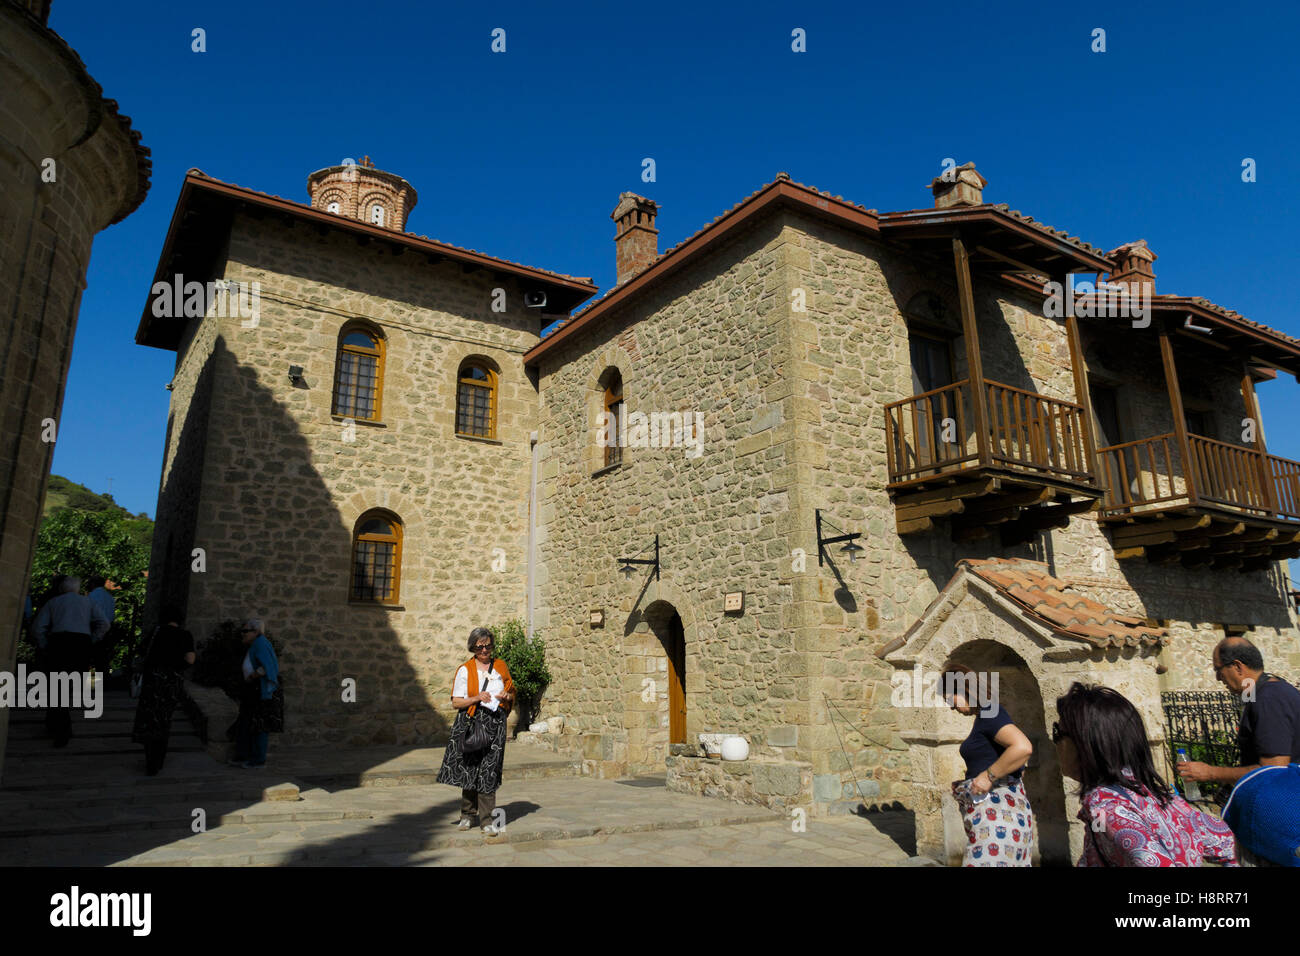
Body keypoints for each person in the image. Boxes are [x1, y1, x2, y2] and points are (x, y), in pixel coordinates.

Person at [1055, 682, 1237, 867]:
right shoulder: (1159, 797)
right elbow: (1231, 845)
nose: (1055, 743)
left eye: (1058, 733)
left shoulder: (1107, 809)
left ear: (1085, 743)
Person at [1177, 637, 1300, 866]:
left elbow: (1273, 770)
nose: (1217, 678)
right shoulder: (1263, 692)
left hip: (1282, 825)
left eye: (1218, 670)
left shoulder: (1269, 699)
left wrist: (1210, 773)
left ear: (1238, 666)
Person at [941, 661, 1035, 866]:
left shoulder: (990, 712)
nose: (950, 706)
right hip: (1000, 813)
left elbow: (1022, 747)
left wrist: (987, 776)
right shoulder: (988, 714)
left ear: (964, 689)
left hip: (997, 816)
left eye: (950, 698)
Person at [436, 627, 515, 834]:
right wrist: (477, 697)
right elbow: (456, 702)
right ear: (473, 647)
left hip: (495, 723)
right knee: (470, 768)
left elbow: (510, 691)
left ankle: (487, 820)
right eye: (480, 646)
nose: (484, 650)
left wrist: (506, 697)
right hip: (472, 722)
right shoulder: (465, 670)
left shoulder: (500, 667)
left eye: (488, 645)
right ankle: (467, 814)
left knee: (489, 770)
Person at [30, 575, 110, 746]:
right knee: (69, 686)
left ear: (61, 588)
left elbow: (38, 627)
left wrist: (45, 645)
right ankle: (57, 724)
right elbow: (104, 623)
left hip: (59, 644)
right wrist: (93, 639)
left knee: (56, 686)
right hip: (81, 645)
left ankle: (59, 727)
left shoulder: (54, 603)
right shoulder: (88, 602)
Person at [130, 606, 196, 775]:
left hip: (152, 680)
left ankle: (149, 760)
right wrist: (177, 668)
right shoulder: (184, 635)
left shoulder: (155, 632)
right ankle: (158, 759)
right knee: (164, 719)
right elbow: (190, 659)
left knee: (149, 717)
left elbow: (141, 652)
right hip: (170, 682)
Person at [232, 619, 281, 769]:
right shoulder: (257, 644)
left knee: (258, 725)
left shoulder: (260, 644)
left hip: (258, 691)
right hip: (253, 691)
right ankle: (246, 757)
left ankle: (257, 759)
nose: (243, 634)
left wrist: (253, 676)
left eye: (246, 631)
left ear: (256, 632)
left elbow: (268, 667)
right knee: (248, 723)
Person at [86, 576, 118, 676]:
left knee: (87, 657)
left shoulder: (91, 596)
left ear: (93, 584)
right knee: (102, 660)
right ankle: (103, 684)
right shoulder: (110, 597)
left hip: (94, 628)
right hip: (108, 630)